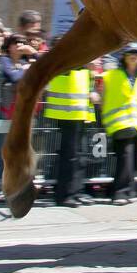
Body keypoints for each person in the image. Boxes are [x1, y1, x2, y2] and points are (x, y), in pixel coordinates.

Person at [101, 44, 137, 204]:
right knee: (125, 158)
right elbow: (105, 97)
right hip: (120, 123)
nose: (133, 56)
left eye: (136, 54)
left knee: (133, 159)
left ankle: (128, 191)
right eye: (130, 53)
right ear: (123, 56)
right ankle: (120, 193)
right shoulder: (112, 75)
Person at [44, 66, 96, 207]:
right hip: (68, 113)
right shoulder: (72, 62)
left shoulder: (84, 67)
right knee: (70, 156)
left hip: (80, 113)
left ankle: (76, 191)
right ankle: (65, 194)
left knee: (80, 156)